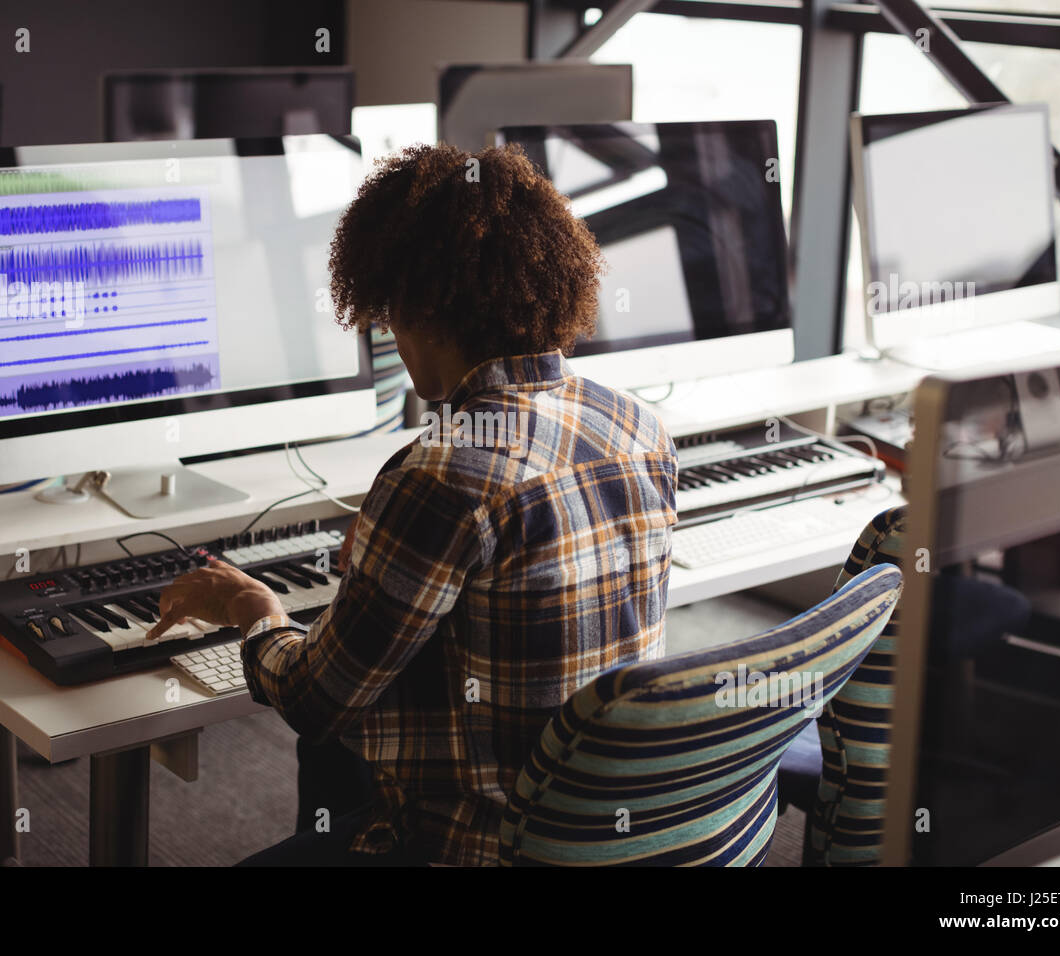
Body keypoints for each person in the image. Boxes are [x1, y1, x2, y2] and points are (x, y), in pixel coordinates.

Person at [147, 142, 679, 866]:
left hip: (477, 846)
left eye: (390, 313)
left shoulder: (440, 475)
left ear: (423, 309)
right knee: (340, 763)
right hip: (600, 822)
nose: (392, 337)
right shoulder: (636, 424)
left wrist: (254, 609)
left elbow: (313, 701)